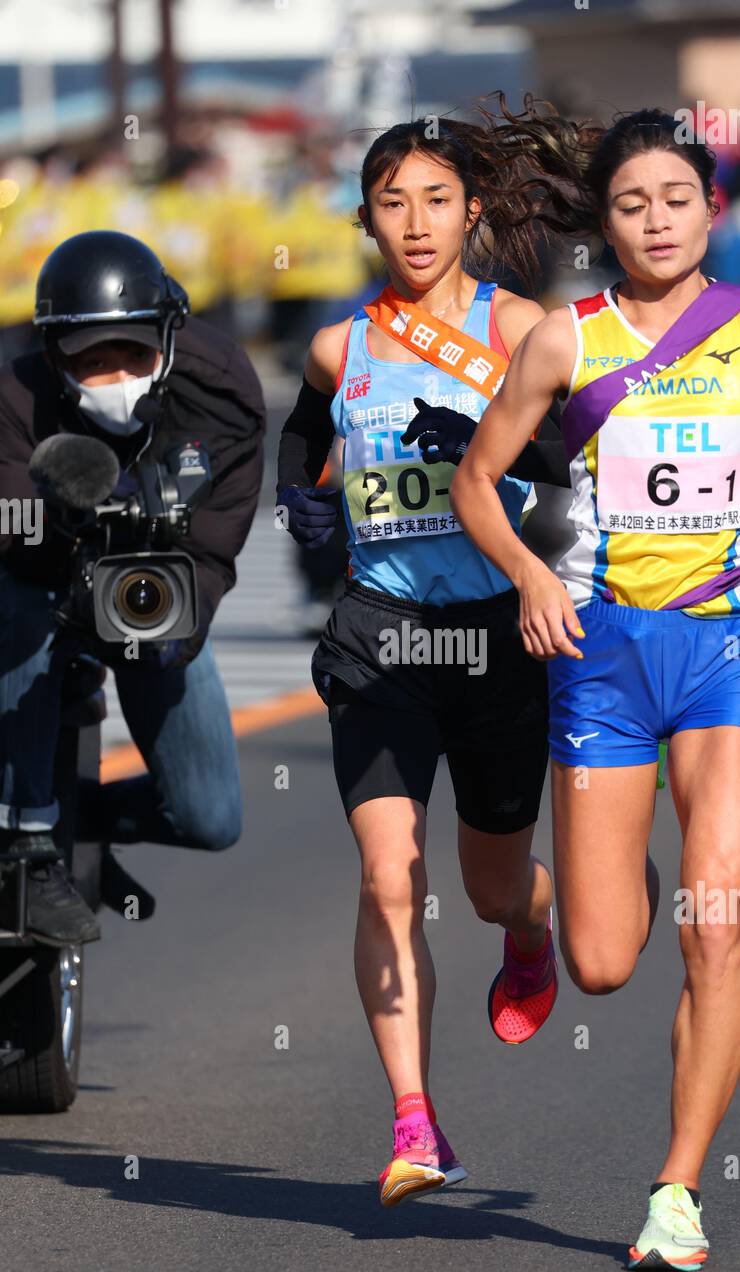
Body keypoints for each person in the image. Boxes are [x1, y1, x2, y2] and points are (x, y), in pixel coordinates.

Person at [450, 106, 740, 1269]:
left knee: (717, 919)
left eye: (675, 199)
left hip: (722, 648)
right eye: (631, 203)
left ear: (709, 209)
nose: (656, 220)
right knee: (600, 958)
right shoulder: (563, 344)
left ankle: (674, 1188)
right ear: (606, 220)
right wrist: (530, 573)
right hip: (601, 657)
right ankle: (575, 896)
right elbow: (480, 482)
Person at [276, 107, 650, 1208]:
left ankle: (529, 927)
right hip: (378, 635)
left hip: (495, 632)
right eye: (391, 203)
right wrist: (304, 501)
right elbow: (307, 433)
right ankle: (413, 1119)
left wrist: (500, 457)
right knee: (389, 876)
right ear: (365, 220)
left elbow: (580, 466)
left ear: (471, 209)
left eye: (436, 198)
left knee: (489, 888)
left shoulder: (520, 327)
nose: (415, 222)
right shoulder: (338, 346)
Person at [0, 230, 265, 945]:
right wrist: (62, 518)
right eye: (91, 359)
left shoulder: (225, 394)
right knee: (14, 601)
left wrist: (182, 622)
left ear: (168, 338)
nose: (113, 375)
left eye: (131, 353)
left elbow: (213, 553)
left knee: (213, 820)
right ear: (54, 355)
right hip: (47, 590)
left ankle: (78, 820)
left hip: (160, 594)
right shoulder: (15, 398)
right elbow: (9, 528)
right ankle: (24, 843)